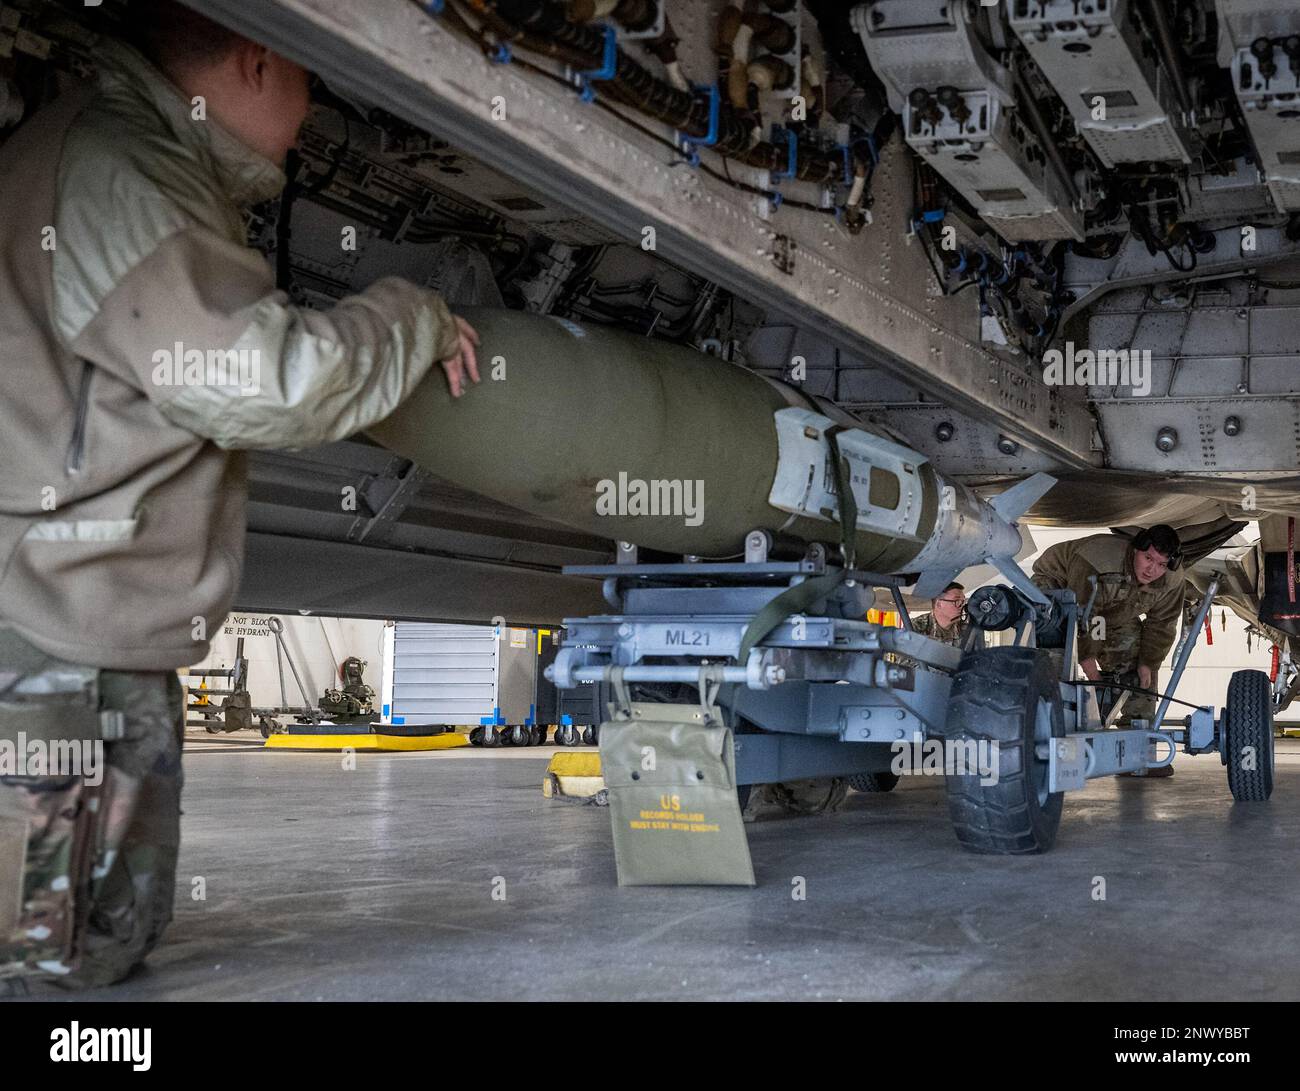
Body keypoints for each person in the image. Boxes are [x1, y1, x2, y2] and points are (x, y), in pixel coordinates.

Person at [0, 1, 479, 987]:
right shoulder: (125, 167)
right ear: (259, 61)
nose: (313, 120)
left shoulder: (99, 147)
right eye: (312, 85)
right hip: (53, 648)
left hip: (71, 633)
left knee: (86, 946)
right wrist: (412, 314)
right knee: (49, 964)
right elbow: (265, 383)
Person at [1031, 526, 1185, 777]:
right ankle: (1046, 744)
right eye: (1148, 559)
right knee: (1056, 654)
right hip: (1059, 593)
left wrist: (1148, 662)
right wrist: (1090, 666)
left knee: (1139, 664)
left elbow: (1163, 624)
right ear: (1135, 550)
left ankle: (1138, 754)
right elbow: (1085, 614)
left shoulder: (1171, 580)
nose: (1152, 570)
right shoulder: (1098, 561)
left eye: (1161, 564)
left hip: (1115, 610)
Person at [911, 582, 968, 648]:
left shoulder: (966, 628)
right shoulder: (916, 627)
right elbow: (904, 657)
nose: (962, 605)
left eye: (963, 601)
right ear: (939, 604)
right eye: (957, 601)